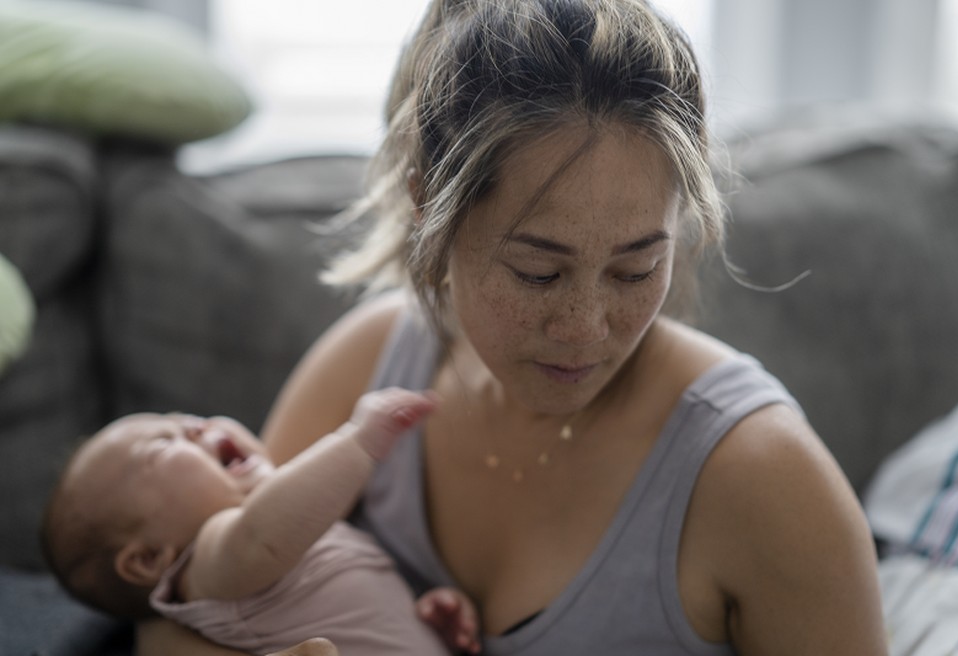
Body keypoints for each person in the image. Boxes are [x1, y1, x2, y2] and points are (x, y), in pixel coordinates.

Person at [139, 0, 889, 654]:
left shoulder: (765, 479)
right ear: (430, 203)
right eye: (539, 272)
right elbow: (187, 612)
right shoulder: (370, 365)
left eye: (634, 271)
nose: (587, 328)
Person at [41, 388, 481, 656]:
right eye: (163, 442)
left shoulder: (261, 555)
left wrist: (421, 620)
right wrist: (357, 440)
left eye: (183, 418)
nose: (196, 424)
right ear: (149, 558)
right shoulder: (206, 564)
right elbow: (259, 534)